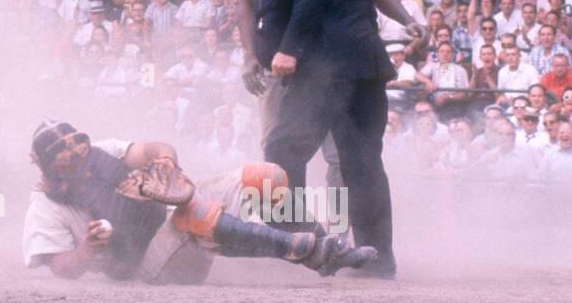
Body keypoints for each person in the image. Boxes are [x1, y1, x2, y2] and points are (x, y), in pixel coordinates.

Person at [259, 0, 399, 278]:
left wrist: (288, 49)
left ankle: (297, 236)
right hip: (368, 65)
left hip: (325, 66)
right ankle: (380, 261)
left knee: (281, 149)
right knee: (363, 164)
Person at [21, 119, 374, 282]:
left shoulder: (104, 152)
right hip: (145, 268)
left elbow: (155, 147)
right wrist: (87, 249)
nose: (76, 154)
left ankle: (329, 245)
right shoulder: (46, 205)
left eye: (76, 144)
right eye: (64, 154)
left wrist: (166, 165)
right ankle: (310, 252)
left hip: (170, 218)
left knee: (266, 176)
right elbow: (61, 269)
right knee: (196, 216)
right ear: (49, 167)